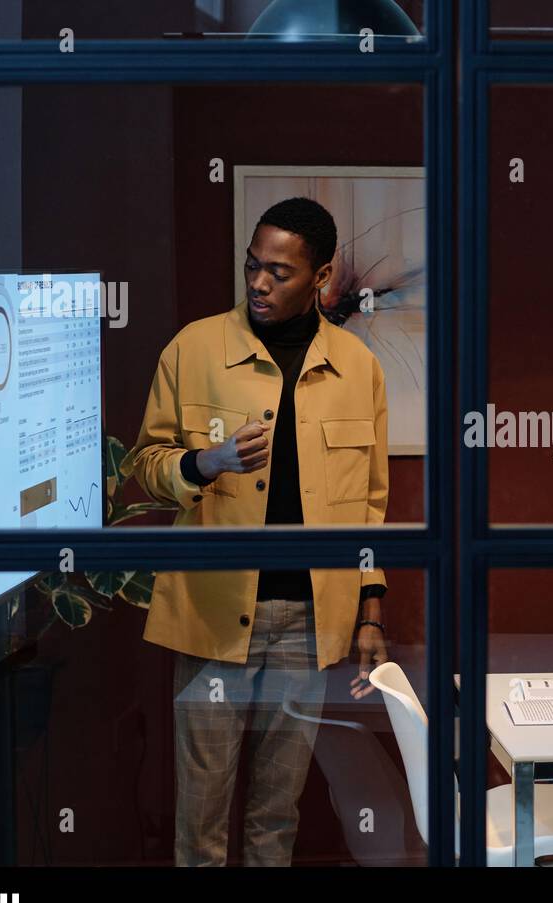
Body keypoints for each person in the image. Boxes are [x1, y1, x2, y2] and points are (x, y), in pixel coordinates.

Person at [120, 197, 391, 866]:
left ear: (322, 276)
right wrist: (204, 462)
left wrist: (370, 611)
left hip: (310, 618)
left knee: (277, 816)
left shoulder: (360, 369)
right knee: (201, 818)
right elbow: (144, 469)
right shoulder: (194, 349)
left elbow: (372, 507)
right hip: (213, 614)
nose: (259, 284)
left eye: (279, 272)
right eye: (251, 267)